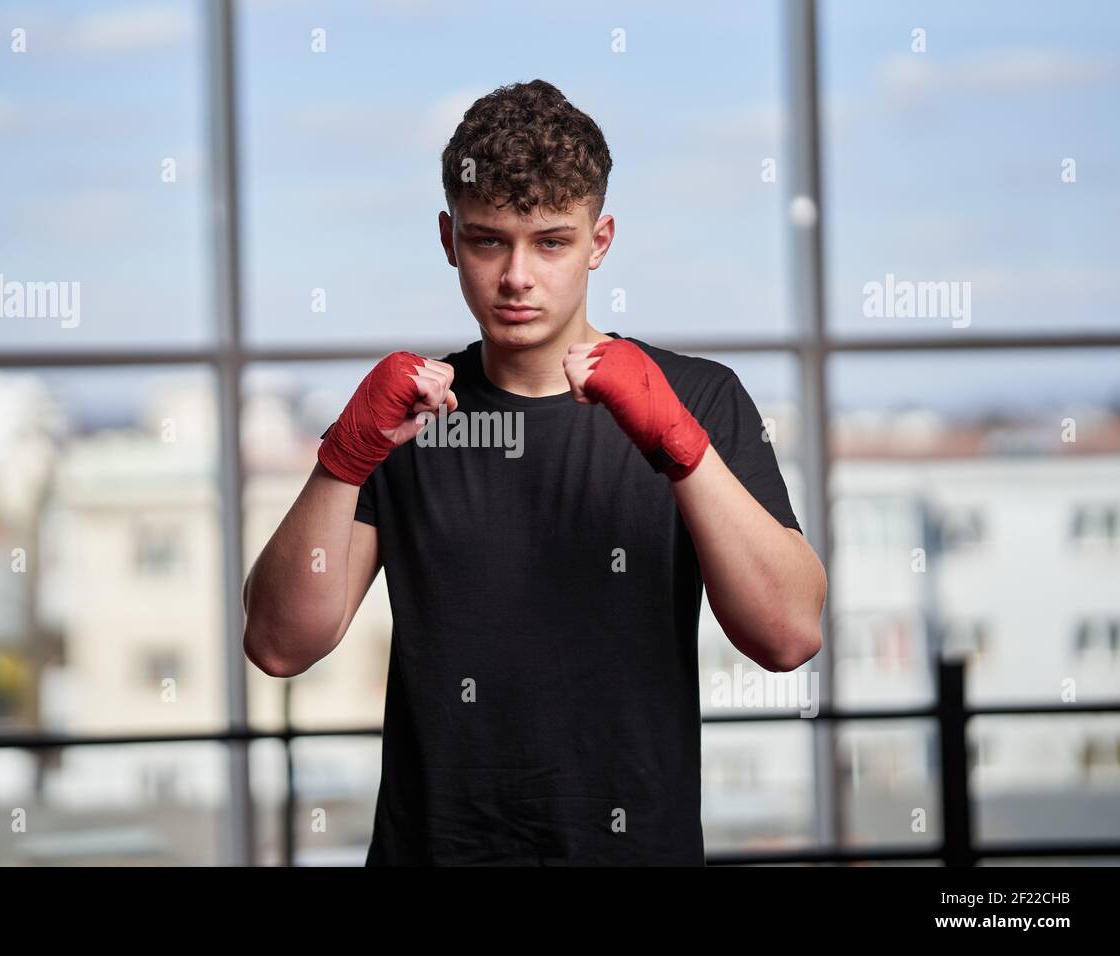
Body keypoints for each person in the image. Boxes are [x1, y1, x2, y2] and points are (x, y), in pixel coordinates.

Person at [243, 79, 827, 865]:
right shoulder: (411, 412)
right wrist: (342, 458)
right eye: (490, 241)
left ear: (600, 240)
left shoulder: (699, 397)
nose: (518, 276)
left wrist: (682, 448)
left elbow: (788, 636)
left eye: (551, 242)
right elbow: (282, 644)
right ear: (449, 238)